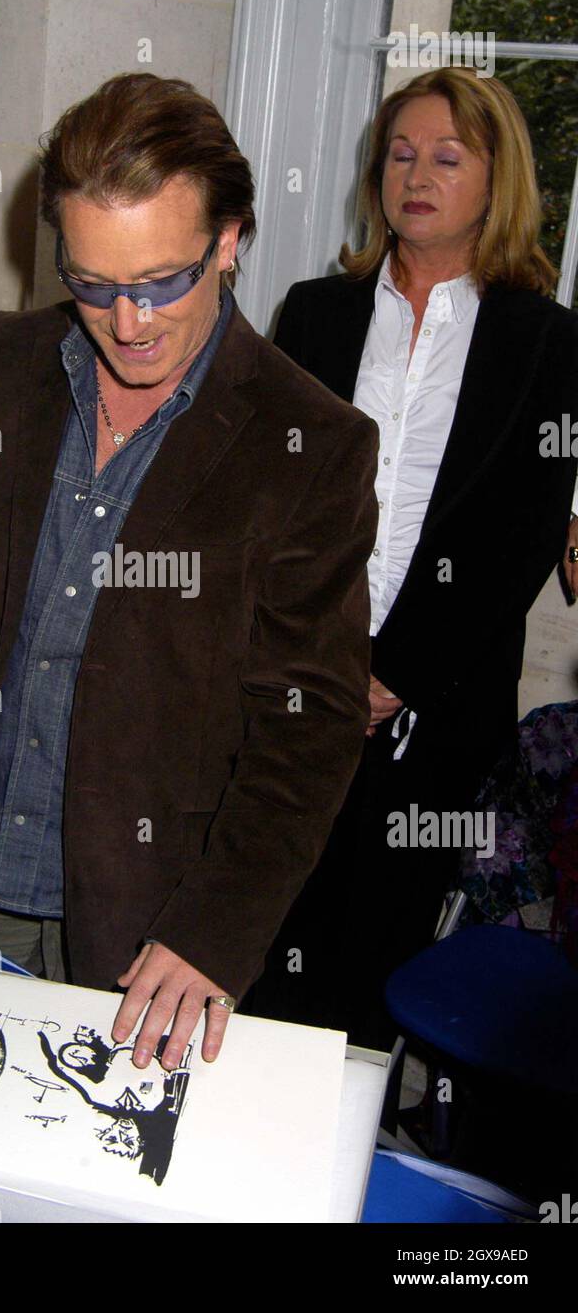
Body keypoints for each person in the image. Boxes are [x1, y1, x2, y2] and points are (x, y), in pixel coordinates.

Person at [0, 73, 379, 1070]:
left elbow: (311, 724)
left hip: (147, 916)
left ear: (230, 240)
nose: (129, 321)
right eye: (92, 282)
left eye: (163, 280)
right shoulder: (0, 363)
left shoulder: (311, 442)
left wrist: (217, 929)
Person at [245, 67, 578, 1051]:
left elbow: (521, 529)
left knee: (371, 972)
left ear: (496, 180)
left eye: (446, 156)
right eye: (399, 154)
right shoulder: (315, 314)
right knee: (260, 947)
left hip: (435, 715)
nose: (416, 175)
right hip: (293, 689)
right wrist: (316, 655)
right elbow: (268, 497)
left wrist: (391, 674)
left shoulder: (548, 341)